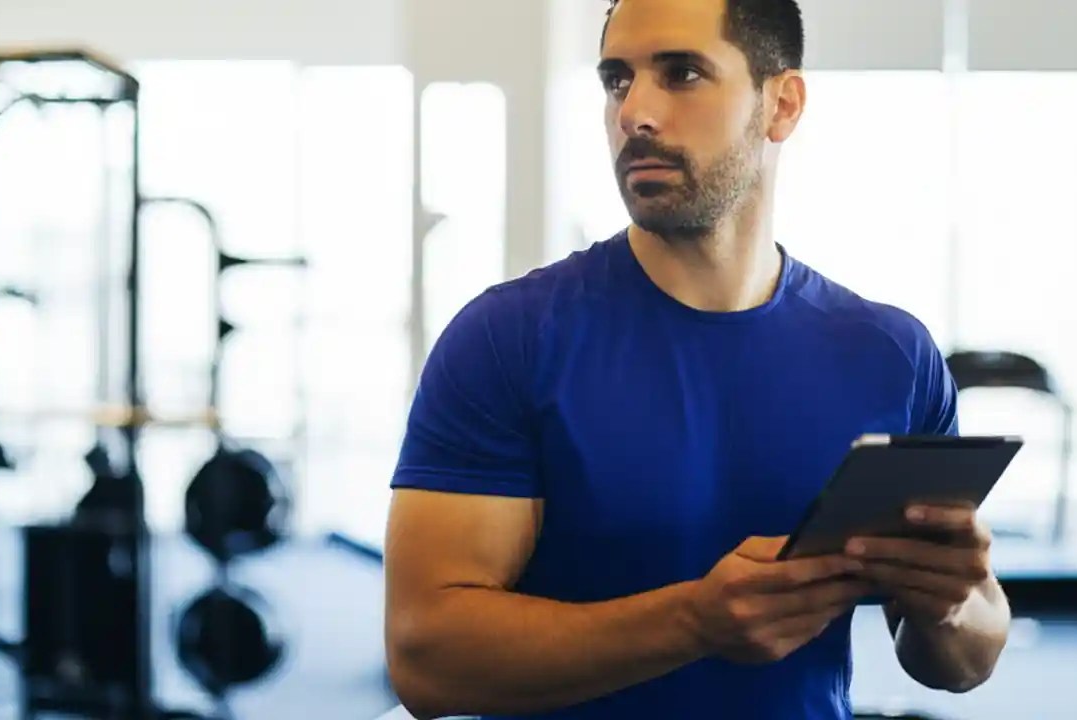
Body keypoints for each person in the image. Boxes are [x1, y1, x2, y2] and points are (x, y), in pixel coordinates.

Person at [382, 0, 1012, 717]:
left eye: (681, 73)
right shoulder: (507, 339)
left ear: (782, 105)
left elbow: (966, 657)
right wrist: (692, 623)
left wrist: (951, 604)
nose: (634, 113)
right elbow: (425, 659)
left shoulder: (893, 356)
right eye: (617, 81)